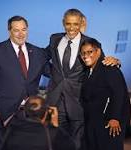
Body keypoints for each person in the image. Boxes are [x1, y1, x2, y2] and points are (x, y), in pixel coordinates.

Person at [45, 8, 120, 150]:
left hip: (78, 102)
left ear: (81, 23)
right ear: (63, 23)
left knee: (78, 143)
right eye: (68, 24)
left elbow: (101, 64)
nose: (72, 28)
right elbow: (42, 57)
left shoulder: (90, 43)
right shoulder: (54, 39)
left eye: (75, 24)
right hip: (54, 102)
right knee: (54, 142)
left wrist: (115, 62)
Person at [0, 16, 48, 150]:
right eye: (16, 30)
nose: (21, 34)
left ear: (27, 30)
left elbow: (56, 73)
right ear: (9, 31)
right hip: (5, 111)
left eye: (23, 30)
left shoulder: (38, 52)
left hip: (31, 113)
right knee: (4, 146)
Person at [80, 38, 130, 150]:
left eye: (90, 52)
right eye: (83, 53)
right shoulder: (87, 71)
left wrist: (114, 117)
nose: (85, 55)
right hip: (93, 122)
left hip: (108, 123)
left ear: (98, 51)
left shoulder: (109, 68)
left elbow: (119, 94)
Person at [2, 95, 76, 150]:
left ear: (24, 112)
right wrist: (55, 126)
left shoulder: (12, 131)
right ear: (46, 114)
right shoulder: (52, 134)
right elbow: (71, 147)